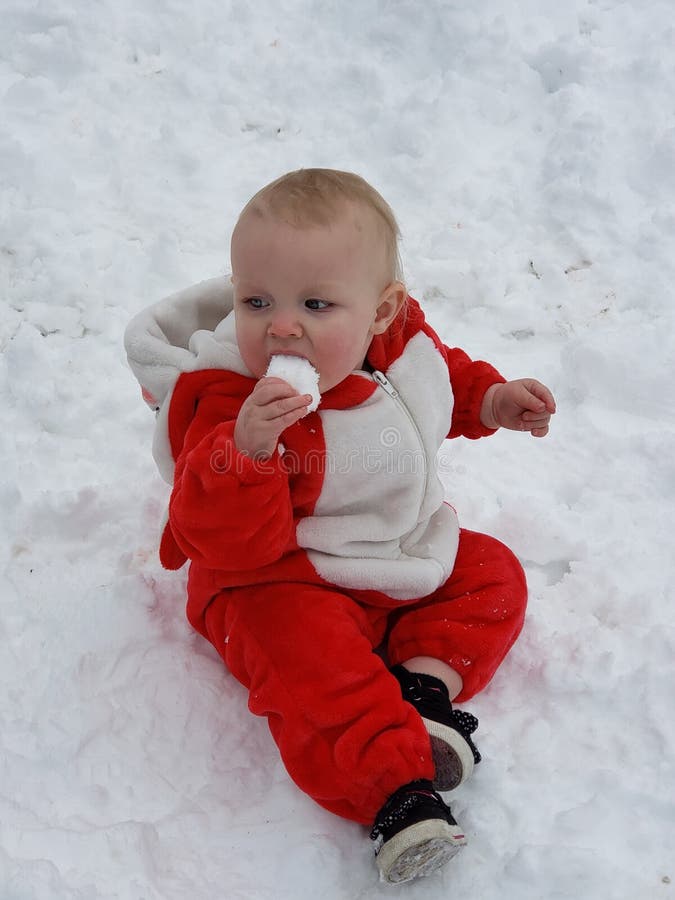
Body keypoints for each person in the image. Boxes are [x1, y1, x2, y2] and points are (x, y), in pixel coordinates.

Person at [124, 168, 556, 884]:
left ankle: (421, 692)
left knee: (491, 575)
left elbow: (437, 380)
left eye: (316, 304)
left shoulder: (399, 343)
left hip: (389, 552)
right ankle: (395, 790)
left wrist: (490, 400)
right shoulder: (229, 400)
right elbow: (220, 540)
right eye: (256, 301)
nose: (281, 325)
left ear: (382, 312)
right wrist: (248, 451)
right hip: (277, 580)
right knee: (309, 666)